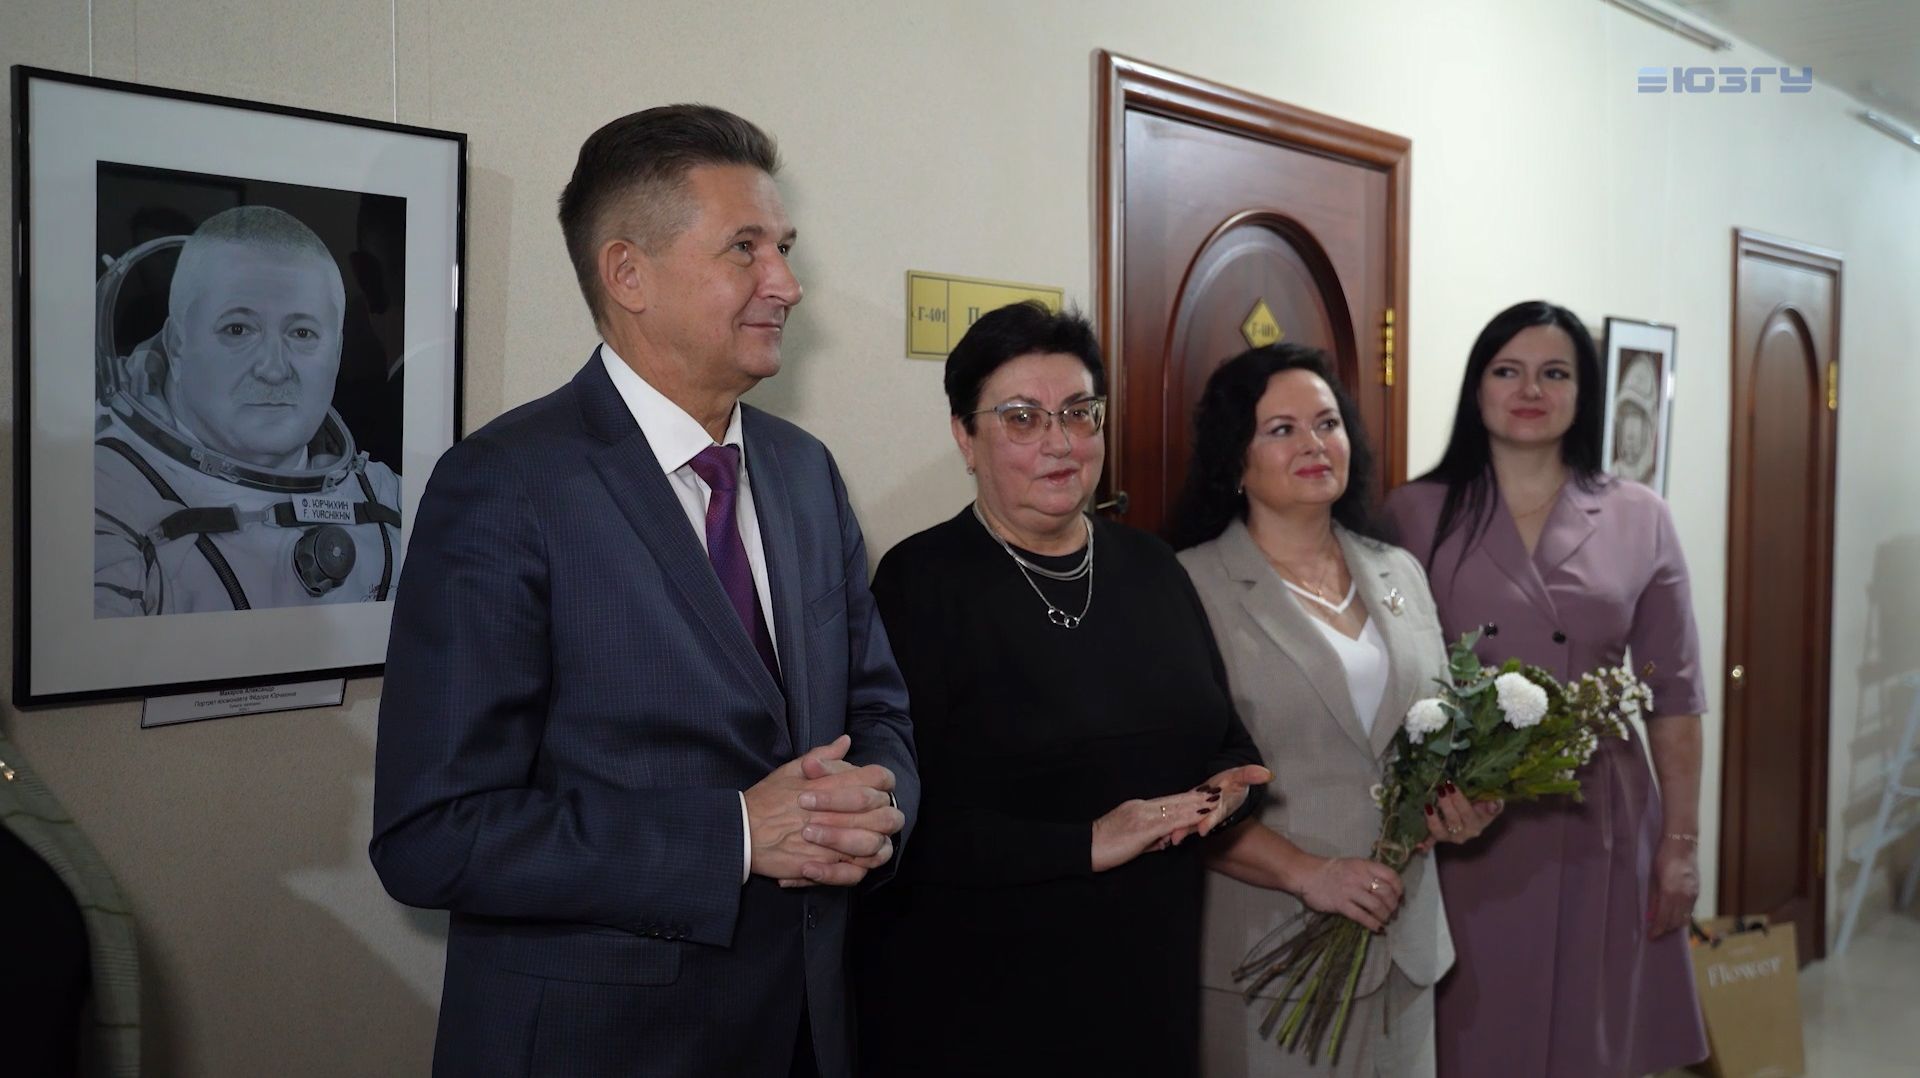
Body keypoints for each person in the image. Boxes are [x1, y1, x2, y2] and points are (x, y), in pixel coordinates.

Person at [370, 105, 918, 1078]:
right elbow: (433, 836)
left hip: (808, 1029)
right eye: (745, 248)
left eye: (783, 248)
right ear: (628, 274)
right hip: (604, 1046)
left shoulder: (805, 472)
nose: (787, 284)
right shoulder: (504, 487)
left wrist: (875, 806)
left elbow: (878, 711)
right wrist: (734, 835)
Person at [851, 301, 1269, 1076]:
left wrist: (1227, 792)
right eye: (1022, 418)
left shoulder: (1153, 567)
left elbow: (1223, 740)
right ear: (965, 437)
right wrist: (1088, 842)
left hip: (1148, 986)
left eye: (1079, 413)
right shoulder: (920, 583)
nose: (1061, 443)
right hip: (984, 1001)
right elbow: (901, 823)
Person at [1382, 300, 1708, 1077]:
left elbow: (1675, 696)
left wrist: (1680, 846)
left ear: (1583, 393)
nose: (1531, 390)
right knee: (1472, 1035)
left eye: (1555, 373)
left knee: (1588, 1038)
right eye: (1508, 371)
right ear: (1477, 388)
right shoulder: (1411, 512)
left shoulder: (1640, 516)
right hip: (1462, 821)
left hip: (1598, 813)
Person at [1170, 345, 1496, 1077]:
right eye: (1281, 429)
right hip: (1272, 959)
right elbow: (1180, 791)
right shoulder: (1190, 586)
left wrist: (1465, 806)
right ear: (1235, 458)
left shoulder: (1398, 570)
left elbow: (1436, 739)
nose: (1314, 444)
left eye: (1327, 423)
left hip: (1407, 951)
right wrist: (1306, 872)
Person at [93, 205, 403, 615]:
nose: (274, 369)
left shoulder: (389, 500)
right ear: (177, 344)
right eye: (238, 329)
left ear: (337, 351)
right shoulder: (107, 501)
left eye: (302, 332)